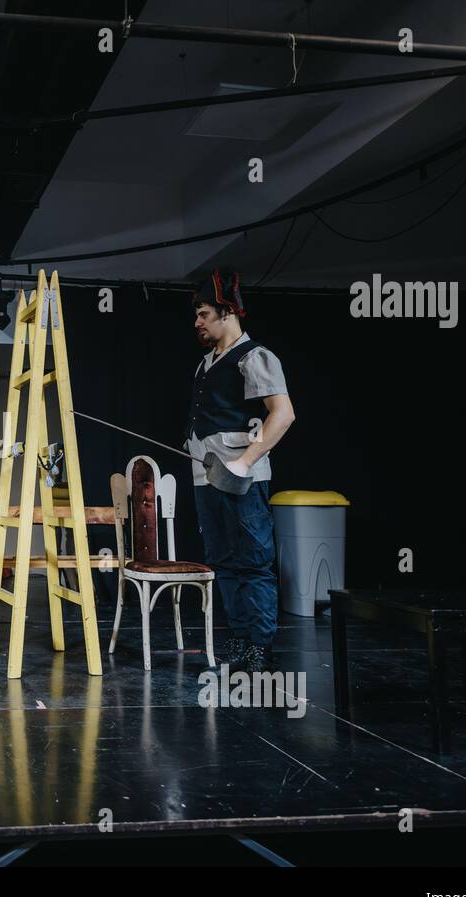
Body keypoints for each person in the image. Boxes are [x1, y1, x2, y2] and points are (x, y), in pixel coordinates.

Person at [185, 267, 296, 672]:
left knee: (252, 560)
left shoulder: (255, 357)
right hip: (206, 475)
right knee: (223, 560)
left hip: (242, 476)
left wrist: (244, 461)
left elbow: (282, 415)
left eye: (204, 314)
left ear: (227, 312)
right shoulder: (205, 363)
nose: (197, 322)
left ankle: (260, 644)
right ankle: (239, 637)